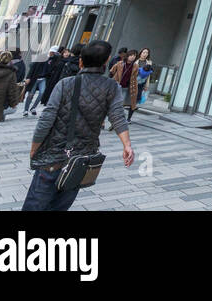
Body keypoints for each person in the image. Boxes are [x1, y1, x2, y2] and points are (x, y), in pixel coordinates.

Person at [24, 40, 133, 211]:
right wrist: (127, 145)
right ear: (106, 61)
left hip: (53, 154)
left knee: (36, 204)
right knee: (61, 205)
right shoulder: (112, 87)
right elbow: (118, 116)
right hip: (81, 159)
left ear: (81, 61)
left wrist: (34, 148)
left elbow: (46, 120)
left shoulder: (66, 83)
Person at [24, 48, 60, 115]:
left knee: (42, 93)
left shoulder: (54, 59)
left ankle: (33, 108)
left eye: (54, 52)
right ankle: (26, 110)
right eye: (52, 52)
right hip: (35, 78)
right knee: (31, 94)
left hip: (43, 79)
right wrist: (28, 77)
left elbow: (53, 68)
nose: (52, 53)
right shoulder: (41, 57)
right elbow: (32, 67)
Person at [108, 50, 140, 121]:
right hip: (116, 85)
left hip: (125, 87)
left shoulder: (135, 66)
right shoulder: (120, 63)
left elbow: (135, 76)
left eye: (134, 56)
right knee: (111, 102)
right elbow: (111, 71)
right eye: (131, 55)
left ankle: (116, 118)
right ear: (128, 55)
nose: (132, 57)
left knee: (121, 104)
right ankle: (111, 116)